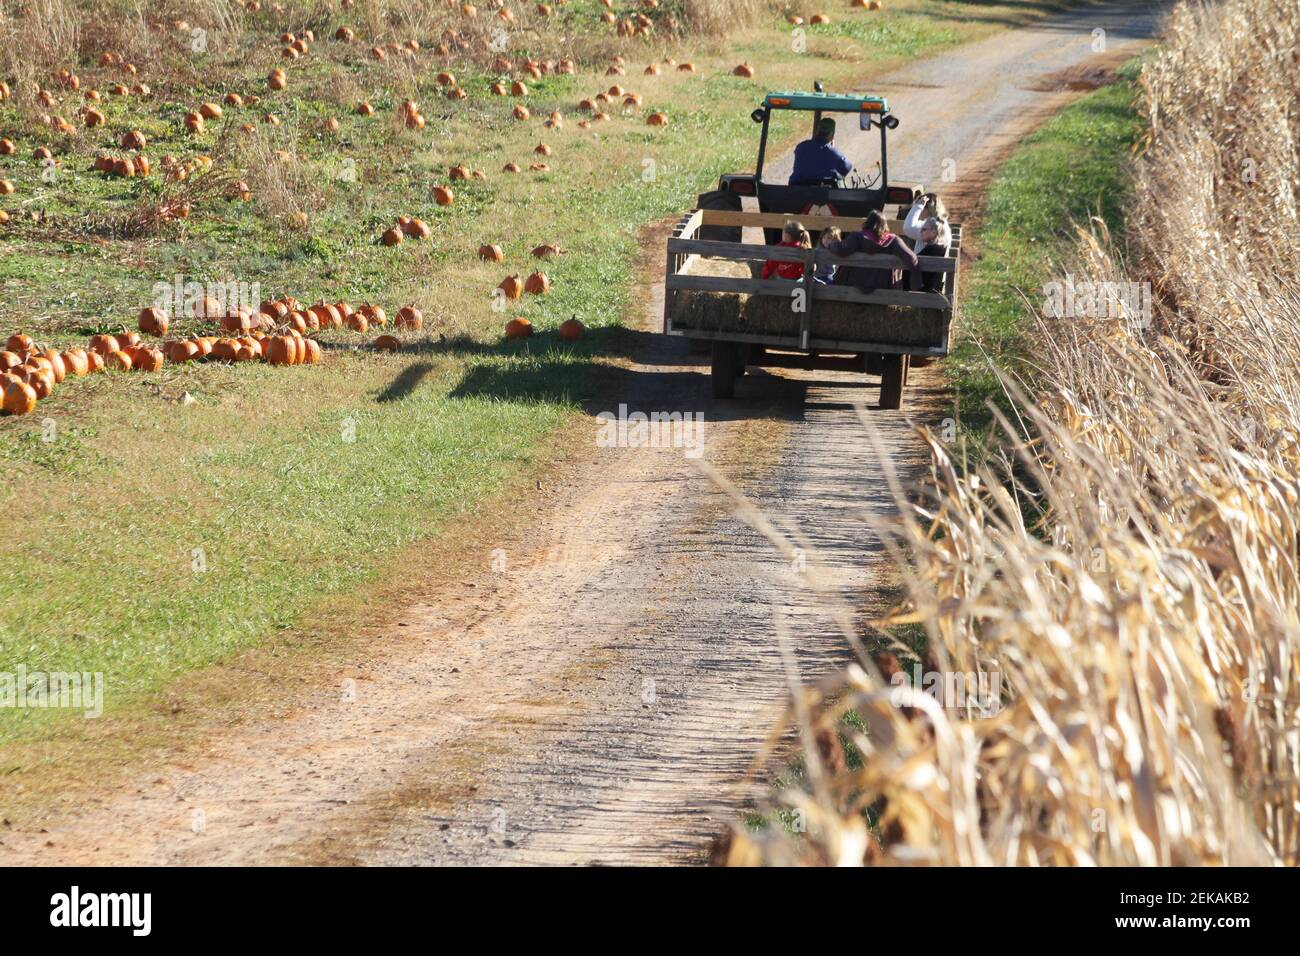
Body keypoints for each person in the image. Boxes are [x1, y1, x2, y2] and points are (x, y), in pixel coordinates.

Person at [830, 209, 917, 292]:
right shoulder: (893, 240)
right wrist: (915, 283)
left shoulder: (857, 237)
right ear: (884, 225)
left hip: (854, 282)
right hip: (883, 285)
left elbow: (842, 250)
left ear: (867, 222)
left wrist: (832, 245)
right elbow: (910, 257)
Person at [902, 193, 951, 293]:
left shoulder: (930, 226)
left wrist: (918, 206)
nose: (919, 212)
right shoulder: (942, 224)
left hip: (925, 278)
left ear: (927, 208)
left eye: (922, 208)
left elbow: (907, 228)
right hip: (933, 275)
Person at [788, 117, 853, 186]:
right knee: (840, 182)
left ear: (817, 131)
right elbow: (846, 168)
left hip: (796, 189)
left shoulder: (801, 147)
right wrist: (831, 149)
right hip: (823, 191)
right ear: (831, 134)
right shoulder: (833, 152)